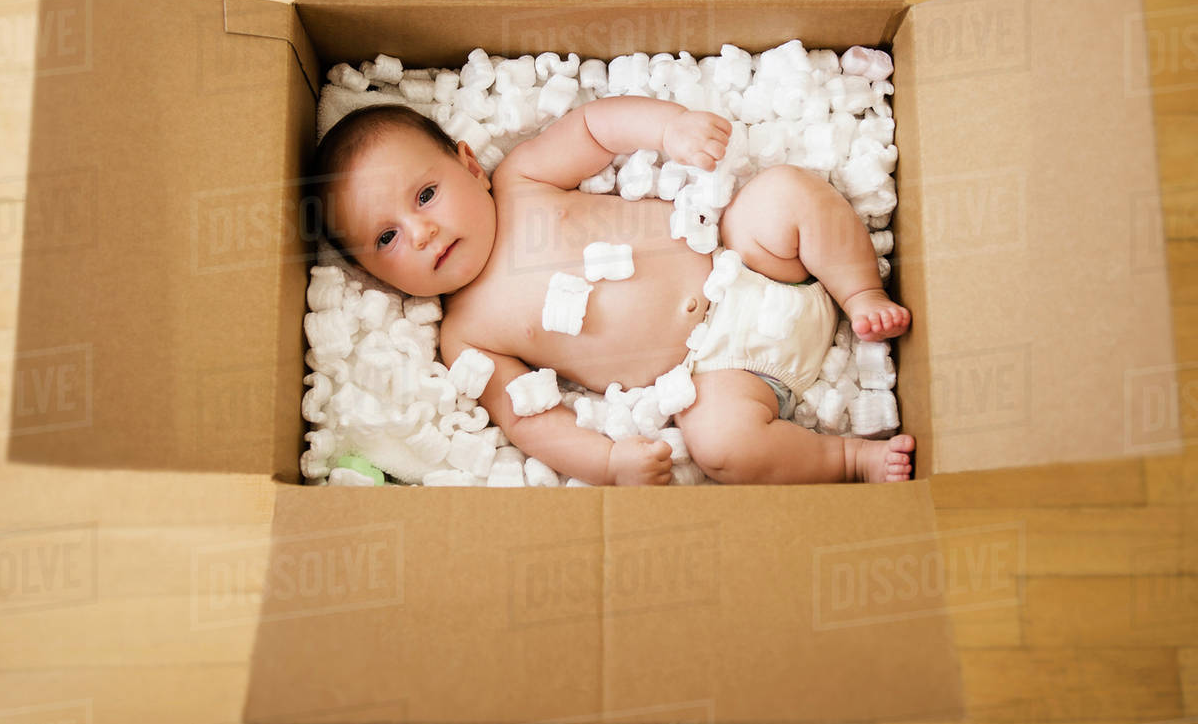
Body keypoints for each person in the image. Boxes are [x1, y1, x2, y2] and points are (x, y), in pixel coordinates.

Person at [312, 98, 914, 486]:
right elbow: (531, 422)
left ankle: (860, 292)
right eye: (386, 237)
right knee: (722, 447)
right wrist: (606, 464)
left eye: (425, 196)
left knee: (783, 192)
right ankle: (846, 459)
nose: (422, 233)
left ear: (468, 165)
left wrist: (668, 129)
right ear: (376, 277)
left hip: (745, 258)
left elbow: (593, 127)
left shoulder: (521, 179)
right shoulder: (464, 337)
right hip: (717, 373)